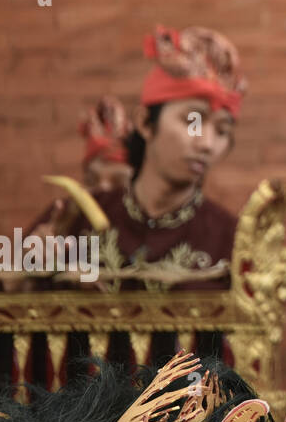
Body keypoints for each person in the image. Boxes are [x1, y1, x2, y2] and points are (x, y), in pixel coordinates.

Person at [17, 25, 248, 293]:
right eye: (192, 121)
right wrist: (22, 279)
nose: (207, 144)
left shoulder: (230, 240)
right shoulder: (76, 221)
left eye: (221, 130)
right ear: (145, 123)